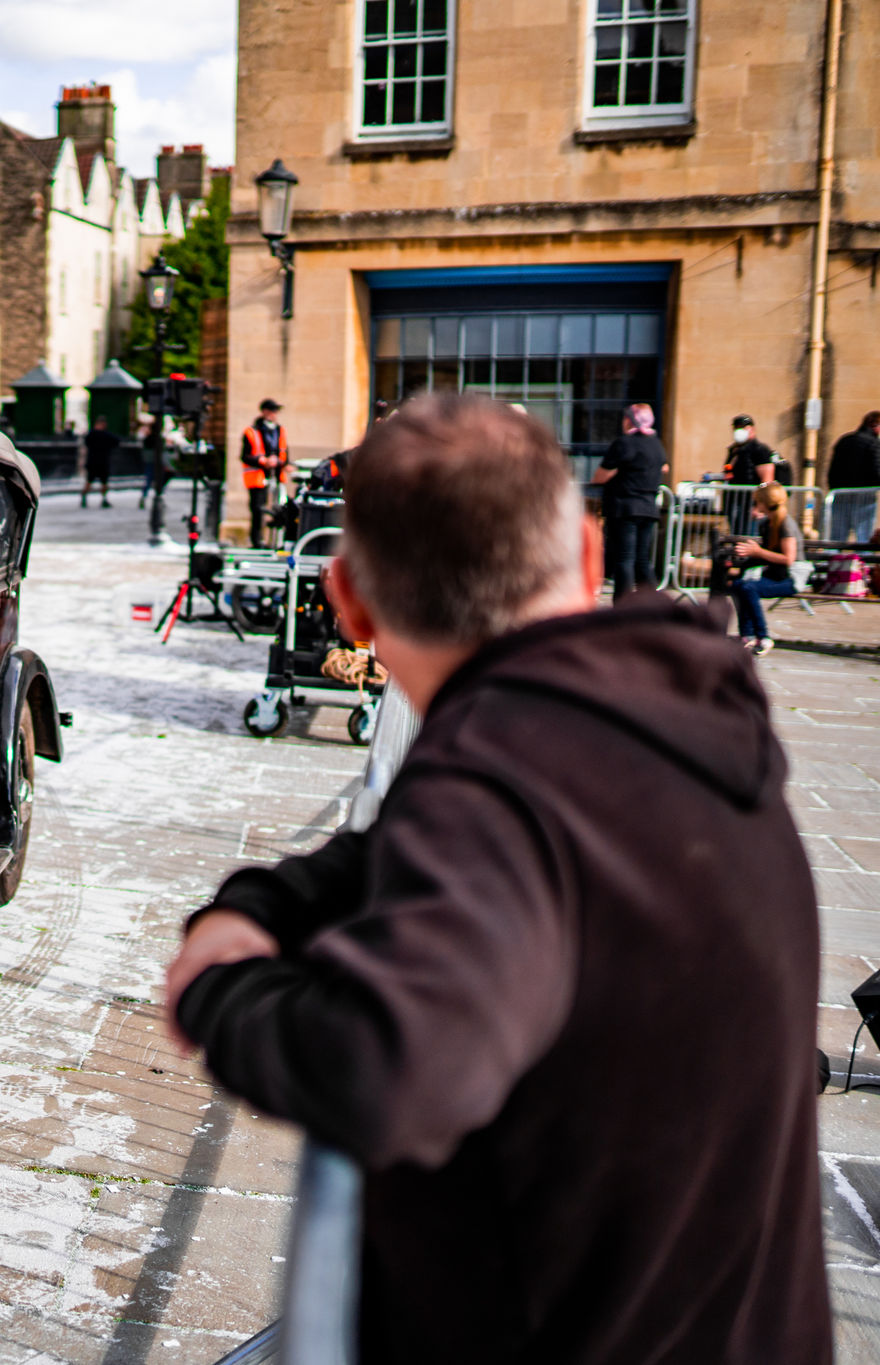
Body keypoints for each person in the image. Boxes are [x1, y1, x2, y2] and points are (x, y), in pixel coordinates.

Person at [164, 392, 827, 1364]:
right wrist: (266, 902)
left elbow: (387, 1067)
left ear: (347, 601)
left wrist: (221, 991)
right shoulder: (664, 715)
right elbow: (418, 846)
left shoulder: (495, 777)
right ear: (589, 557)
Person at [592, 402, 668, 598]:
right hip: (648, 507)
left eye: (626, 418)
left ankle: (623, 605)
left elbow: (601, 475)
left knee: (625, 559)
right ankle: (654, 603)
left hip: (625, 507)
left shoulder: (624, 443)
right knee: (642, 560)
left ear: (631, 420)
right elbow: (664, 468)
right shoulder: (656, 444)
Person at [732, 482, 803, 656]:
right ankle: (747, 636)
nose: (756, 505)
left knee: (749, 588)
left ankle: (763, 637)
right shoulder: (767, 523)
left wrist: (758, 551)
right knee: (738, 585)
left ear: (765, 503)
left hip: (792, 577)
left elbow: (788, 559)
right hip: (776, 574)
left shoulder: (786, 524)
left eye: (757, 501)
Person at [826, 410, 880, 542]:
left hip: (840, 494)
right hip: (864, 496)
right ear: (875, 426)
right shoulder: (874, 444)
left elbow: (832, 469)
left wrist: (834, 487)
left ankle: (833, 556)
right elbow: (877, 470)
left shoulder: (844, 440)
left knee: (837, 538)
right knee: (863, 538)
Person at [240, 399, 288, 548]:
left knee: (279, 508)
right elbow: (245, 456)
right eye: (272, 411)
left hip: (276, 474)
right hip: (257, 476)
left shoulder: (279, 430)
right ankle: (257, 540)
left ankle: (276, 540)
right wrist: (262, 460)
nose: (274, 414)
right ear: (265, 412)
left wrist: (279, 462)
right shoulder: (251, 431)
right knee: (258, 508)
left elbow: (284, 452)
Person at [81, 416, 119, 509]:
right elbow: (116, 441)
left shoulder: (93, 434)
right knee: (93, 481)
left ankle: (98, 499)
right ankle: (89, 498)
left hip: (97, 461)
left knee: (99, 482)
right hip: (99, 461)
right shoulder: (102, 434)